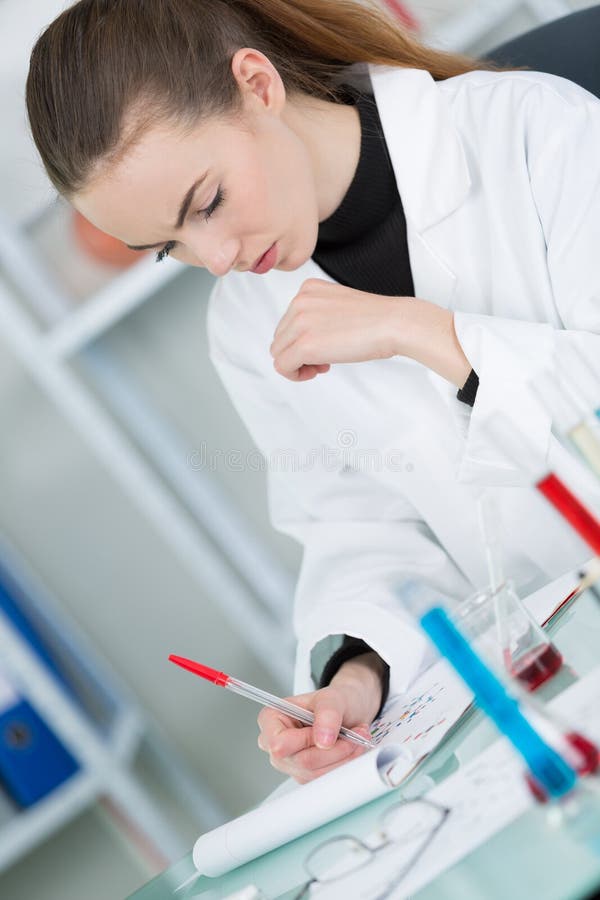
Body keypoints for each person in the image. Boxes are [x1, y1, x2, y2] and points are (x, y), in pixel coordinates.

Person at [26, 0, 600, 786]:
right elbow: (357, 531)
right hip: (557, 691)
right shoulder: (244, 324)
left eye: (207, 203)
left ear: (257, 85)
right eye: (169, 247)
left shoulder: (532, 130)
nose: (217, 258)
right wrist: (357, 678)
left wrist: (432, 335)